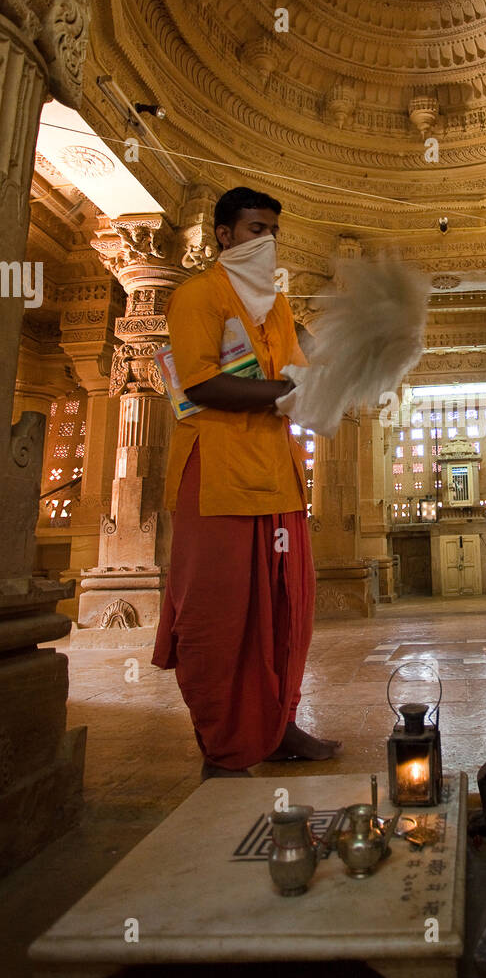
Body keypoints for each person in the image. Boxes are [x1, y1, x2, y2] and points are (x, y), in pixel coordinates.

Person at [152, 186, 340, 778]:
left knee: (285, 612)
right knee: (220, 616)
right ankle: (225, 745)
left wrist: (330, 383)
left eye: (273, 233)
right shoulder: (196, 296)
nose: (267, 243)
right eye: (256, 230)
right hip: (217, 476)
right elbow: (201, 385)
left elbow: (300, 383)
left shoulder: (277, 308)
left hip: (278, 478)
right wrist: (290, 393)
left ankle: (277, 725)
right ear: (224, 236)